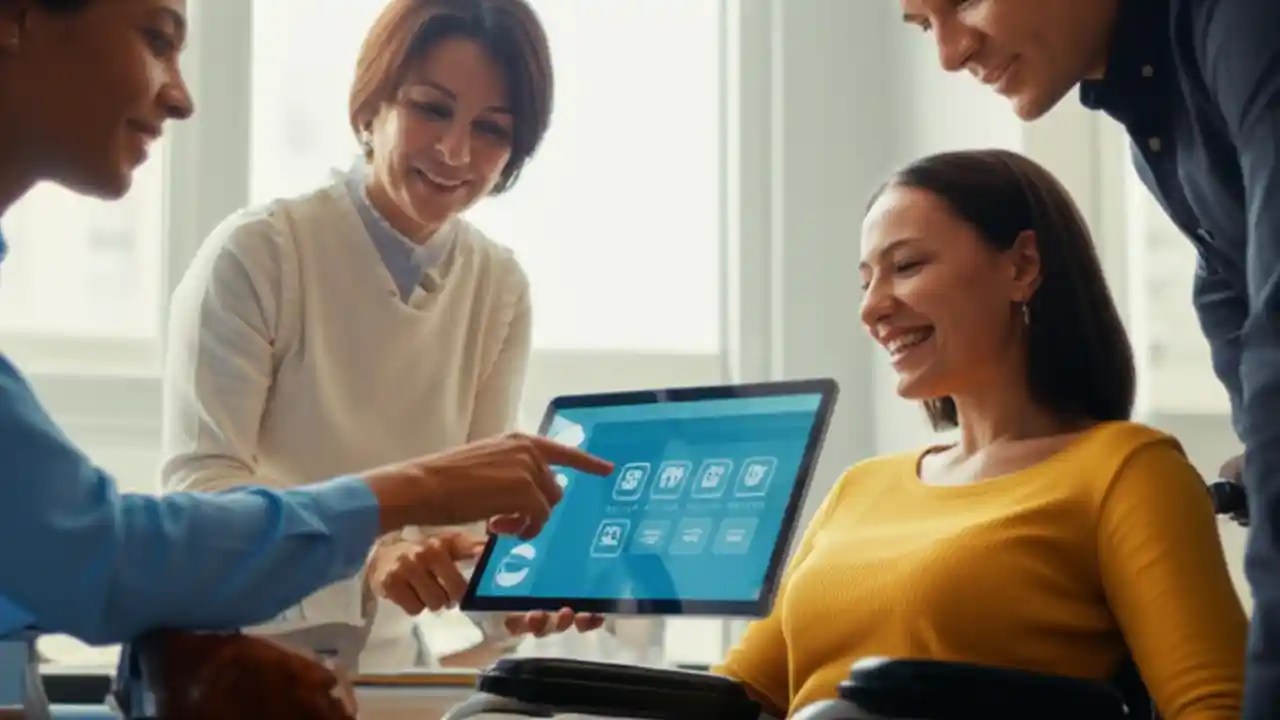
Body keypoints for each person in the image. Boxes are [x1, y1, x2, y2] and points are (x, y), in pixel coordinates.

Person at [0, 0, 611, 649]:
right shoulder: (261, 252)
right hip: (246, 663)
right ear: (371, 106)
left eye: (491, 128)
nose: (455, 150)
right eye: (431, 109)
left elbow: (469, 525)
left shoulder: (500, 285)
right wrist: (379, 540)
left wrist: (509, 594)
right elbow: (155, 526)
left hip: (392, 671)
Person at [714, 149, 1248, 718]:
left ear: (1021, 266)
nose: (872, 309)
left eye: (907, 266)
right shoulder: (859, 487)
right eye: (866, 282)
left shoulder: (1127, 471)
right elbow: (731, 696)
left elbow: (1215, 705)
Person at [898, 1, 1280, 714]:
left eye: (966, 1)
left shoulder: (1243, 26)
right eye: (924, 26)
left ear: (1023, 266)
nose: (950, 53)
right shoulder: (1159, 129)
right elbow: (1233, 308)